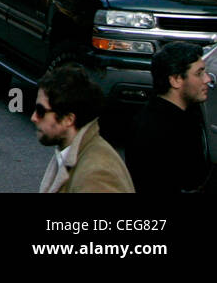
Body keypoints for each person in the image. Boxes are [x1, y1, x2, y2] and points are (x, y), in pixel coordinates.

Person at [33, 63, 134, 193]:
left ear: (68, 119)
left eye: (41, 111)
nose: (34, 117)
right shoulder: (77, 154)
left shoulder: (96, 175)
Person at [126, 42, 212, 194]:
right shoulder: (160, 130)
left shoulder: (177, 116)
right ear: (176, 80)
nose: (207, 79)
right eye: (199, 73)